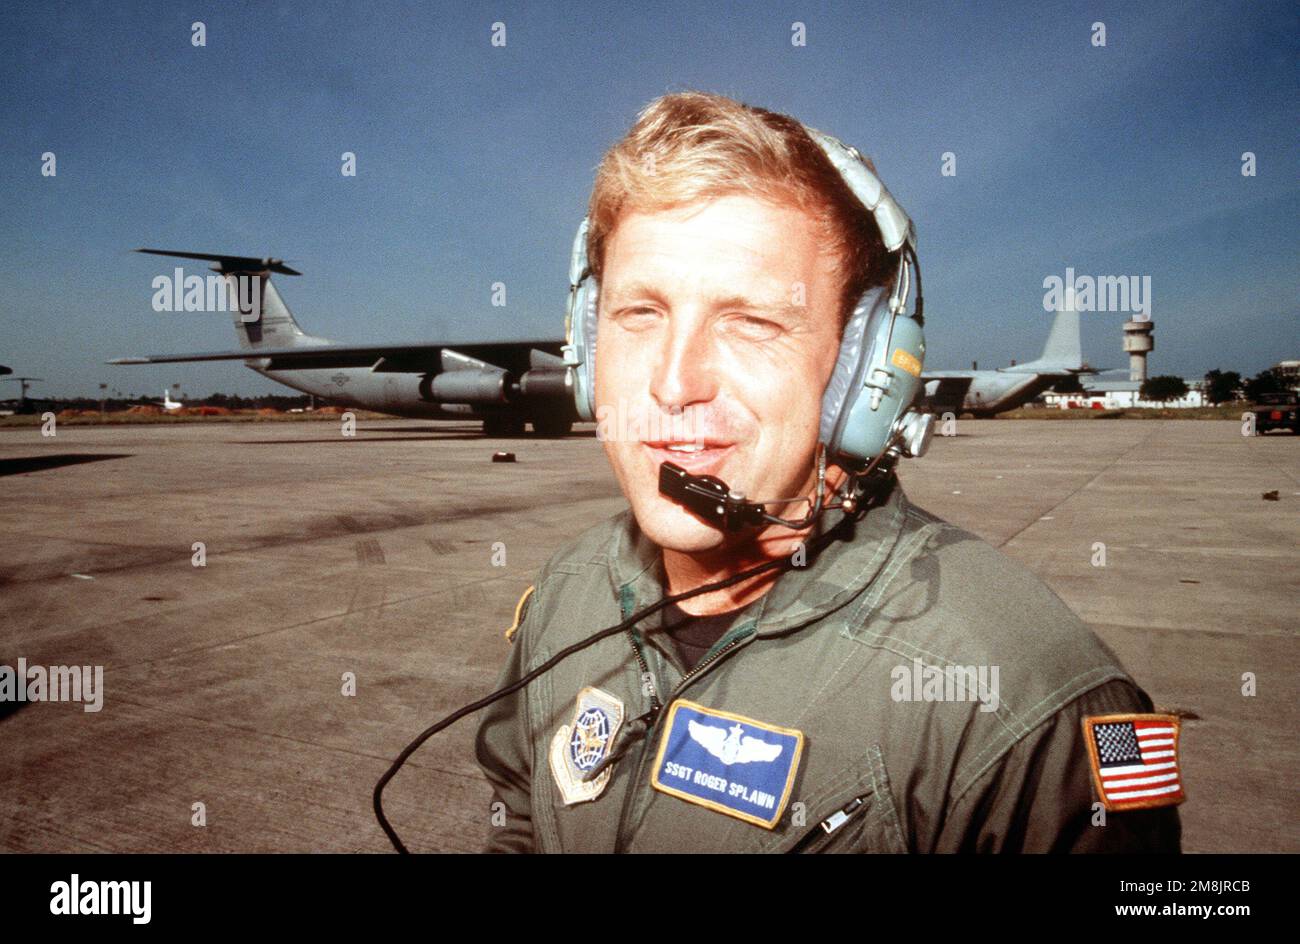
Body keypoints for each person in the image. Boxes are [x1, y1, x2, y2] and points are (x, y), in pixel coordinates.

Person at [474, 91, 1183, 853]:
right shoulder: (565, 591)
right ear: (585, 350)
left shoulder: (1039, 703)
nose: (673, 385)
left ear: (863, 375)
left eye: (751, 322)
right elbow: (520, 813)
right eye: (638, 314)